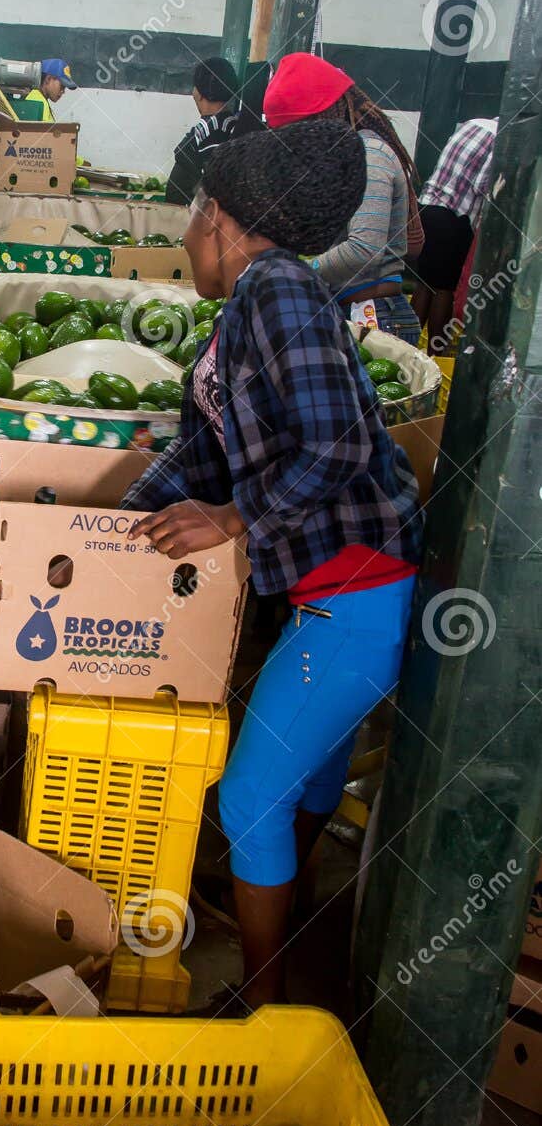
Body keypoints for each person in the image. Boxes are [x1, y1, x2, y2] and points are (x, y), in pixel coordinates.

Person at [123, 120, 422, 1011]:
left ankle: (261, 1005)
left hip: (357, 585)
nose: (183, 239)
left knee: (249, 796)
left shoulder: (277, 291)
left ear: (217, 214)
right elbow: (213, 451)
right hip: (328, 584)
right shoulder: (257, 298)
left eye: (189, 217)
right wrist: (117, 522)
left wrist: (228, 519)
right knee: (312, 771)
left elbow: (334, 441)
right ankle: (285, 920)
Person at [264, 52, 425, 345]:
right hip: (345, 310)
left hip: (375, 320)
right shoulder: (345, 157)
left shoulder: (369, 156)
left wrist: (296, 271)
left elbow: (364, 249)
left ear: (325, 116)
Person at [411, 117, 497, 353]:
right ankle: (436, 355)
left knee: (424, 284)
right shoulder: (499, 139)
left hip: (428, 208)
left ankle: (406, 350)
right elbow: (482, 185)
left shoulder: (474, 124)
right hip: (454, 218)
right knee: (444, 289)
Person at [166, 56, 241, 205]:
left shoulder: (215, 131)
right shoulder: (223, 124)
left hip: (193, 220)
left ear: (199, 93)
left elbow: (213, 190)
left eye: (194, 87)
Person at [24, 57, 77, 121]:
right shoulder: (37, 102)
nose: (63, 91)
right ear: (48, 79)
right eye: (62, 86)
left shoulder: (39, 98)